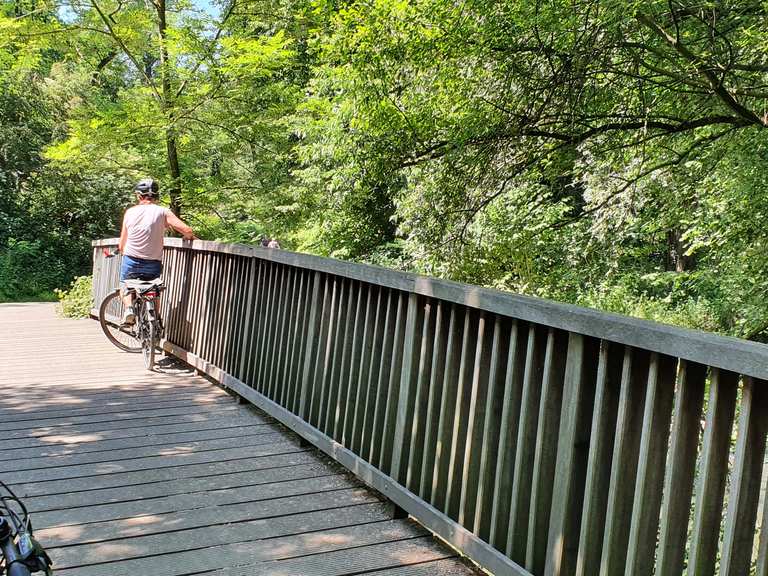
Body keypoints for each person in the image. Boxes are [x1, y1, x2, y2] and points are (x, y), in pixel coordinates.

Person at [118, 178, 196, 324]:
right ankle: (156, 321)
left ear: (138, 195)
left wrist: (124, 251)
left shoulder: (129, 212)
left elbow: (122, 244)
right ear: (156, 196)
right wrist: (190, 237)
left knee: (125, 285)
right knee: (153, 290)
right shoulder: (162, 212)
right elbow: (187, 230)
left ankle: (129, 308)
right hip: (152, 262)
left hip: (131, 260)